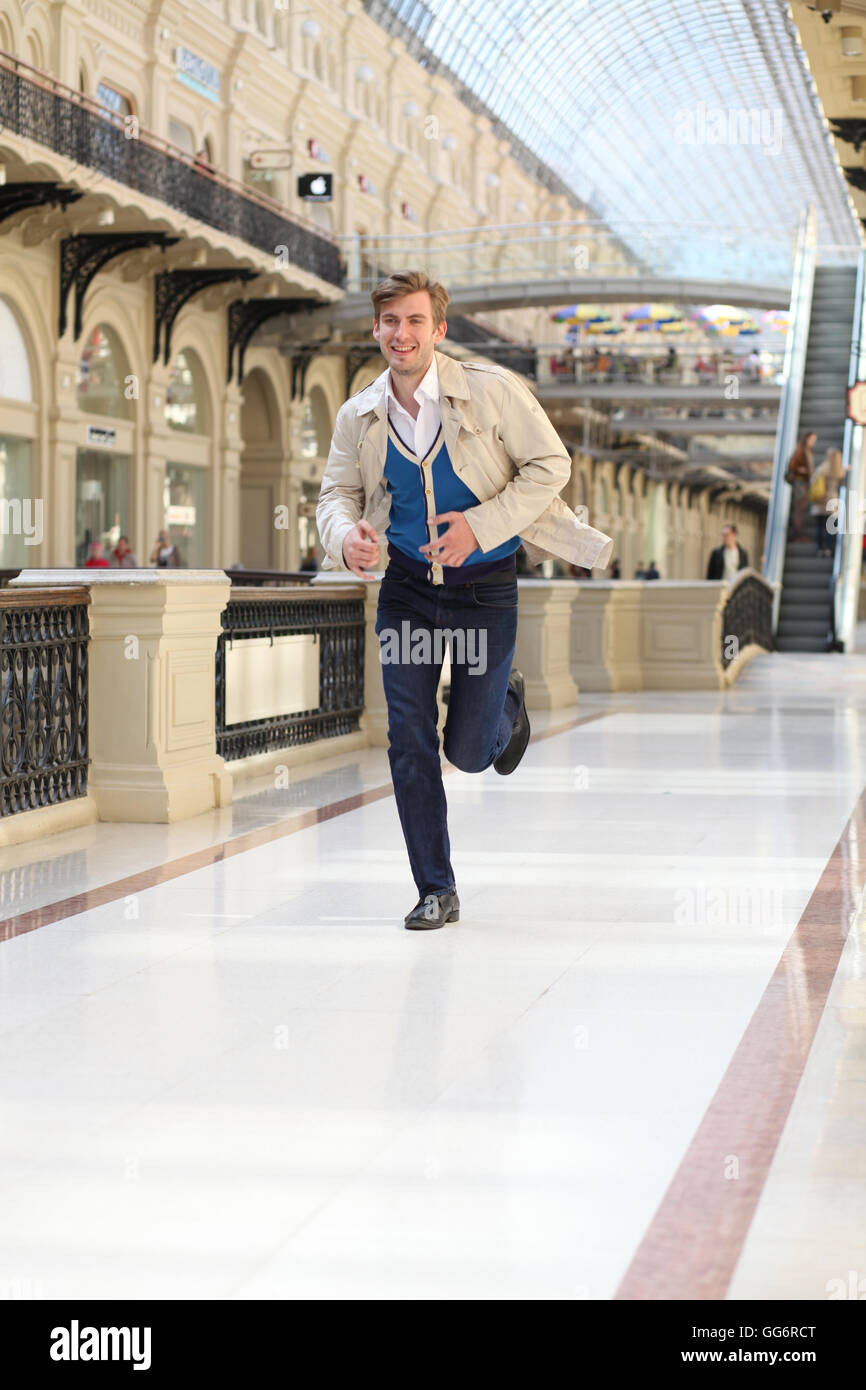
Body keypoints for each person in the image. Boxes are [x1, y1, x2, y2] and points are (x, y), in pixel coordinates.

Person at [317, 269, 612, 930]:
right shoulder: (359, 415)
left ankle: (507, 701)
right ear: (376, 329)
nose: (402, 333)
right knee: (408, 737)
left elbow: (550, 466)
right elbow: (336, 495)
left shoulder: (492, 392)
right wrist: (346, 539)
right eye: (390, 321)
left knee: (470, 752)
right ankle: (435, 888)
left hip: (485, 589)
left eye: (415, 321)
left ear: (438, 330)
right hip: (407, 595)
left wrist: (482, 525)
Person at [810, 447, 846, 556]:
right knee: (830, 527)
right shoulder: (840, 471)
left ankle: (820, 548)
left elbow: (813, 481)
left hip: (821, 500)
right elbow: (844, 483)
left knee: (820, 526)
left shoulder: (822, 468)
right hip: (833, 501)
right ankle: (829, 548)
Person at [786, 430, 816, 542]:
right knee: (799, 509)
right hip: (800, 483)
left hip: (804, 483)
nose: (813, 442)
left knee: (800, 508)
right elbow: (792, 467)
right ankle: (797, 533)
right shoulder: (800, 451)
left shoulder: (806, 451)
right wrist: (802, 471)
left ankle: (798, 532)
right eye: (812, 440)